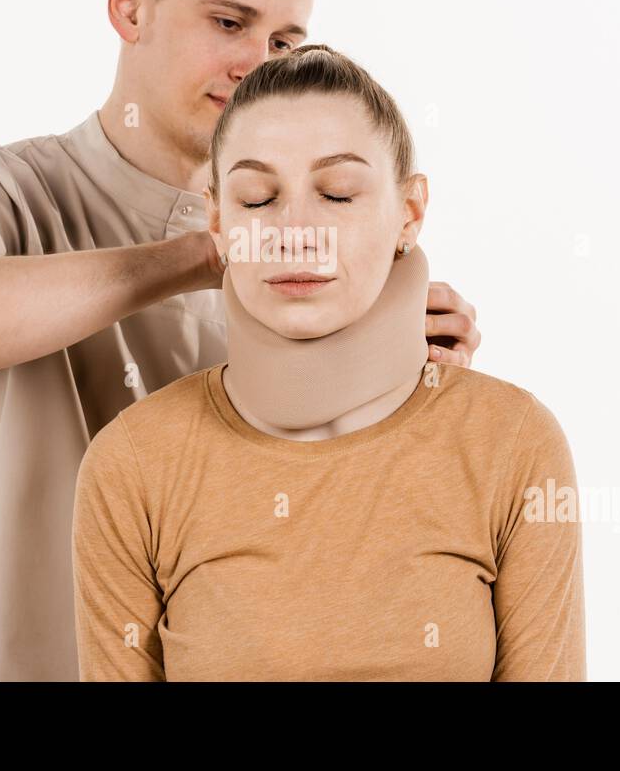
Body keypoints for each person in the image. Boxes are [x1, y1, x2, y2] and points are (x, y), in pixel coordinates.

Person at [0, 0, 482, 681]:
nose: (259, 66)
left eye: (287, 43)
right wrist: (206, 255)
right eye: (229, 23)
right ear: (130, 7)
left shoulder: (309, 261)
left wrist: (414, 394)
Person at [72, 45, 586, 681]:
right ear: (217, 217)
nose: (295, 230)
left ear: (410, 212)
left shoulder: (512, 443)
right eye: (257, 199)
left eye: (338, 194)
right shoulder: (133, 465)